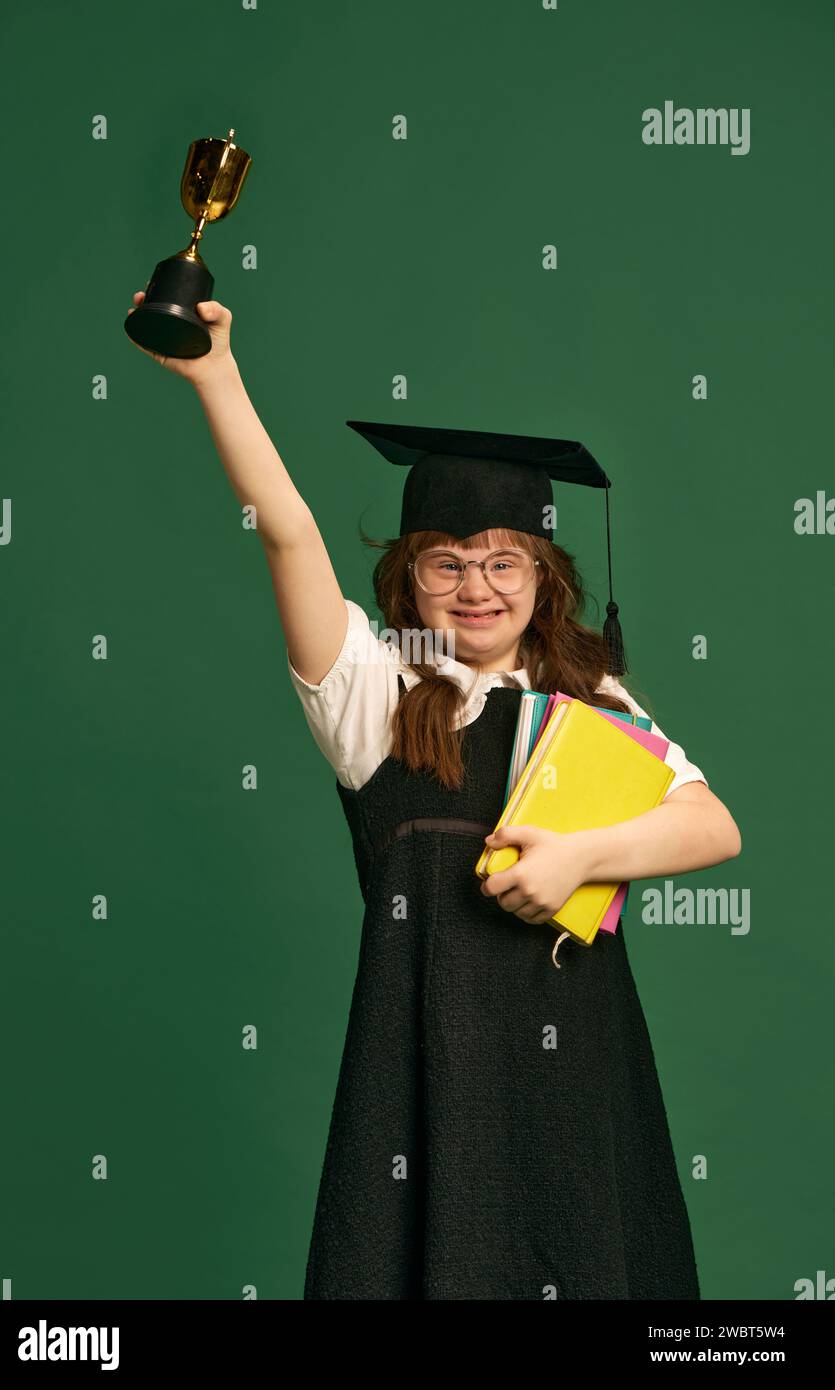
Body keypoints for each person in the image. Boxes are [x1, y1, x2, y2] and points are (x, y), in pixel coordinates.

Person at [127, 292, 742, 1301]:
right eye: (444, 563)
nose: (476, 585)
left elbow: (711, 825)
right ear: (405, 580)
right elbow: (287, 535)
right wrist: (217, 377)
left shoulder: (588, 700)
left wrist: (579, 857)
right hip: (429, 1076)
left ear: (545, 578)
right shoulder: (374, 693)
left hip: (577, 1076)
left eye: (505, 560)